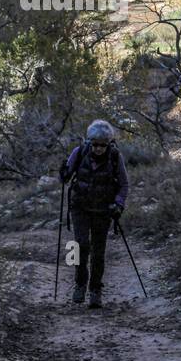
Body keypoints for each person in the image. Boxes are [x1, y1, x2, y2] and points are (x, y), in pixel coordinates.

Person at [59, 120, 129, 308]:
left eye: (103, 145)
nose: (98, 148)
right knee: (80, 245)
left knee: (99, 252)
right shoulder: (79, 152)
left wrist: (118, 204)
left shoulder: (115, 156)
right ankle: (80, 284)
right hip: (80, 207)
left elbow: (123, 184)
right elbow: (66, 177)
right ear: (90, 142)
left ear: (109, 143)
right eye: (95, 144)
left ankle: (96, 290)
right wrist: (63, 172)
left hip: (103, 209)